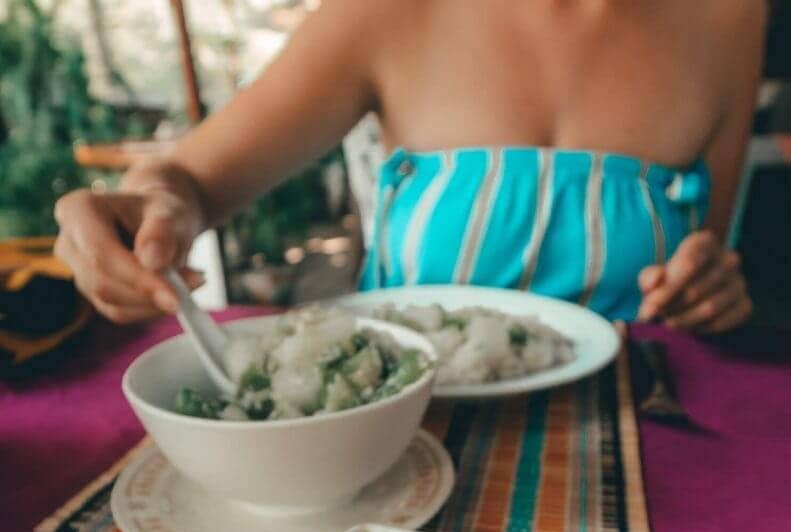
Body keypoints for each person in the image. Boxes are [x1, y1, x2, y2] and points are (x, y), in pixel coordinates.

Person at [54, 0, 766, 332]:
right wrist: (148, 208)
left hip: (642, 461)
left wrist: (712, 289)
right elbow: (186, 182)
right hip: (405, 449)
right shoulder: (384, 11)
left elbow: (712, 255)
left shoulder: (726, 16)